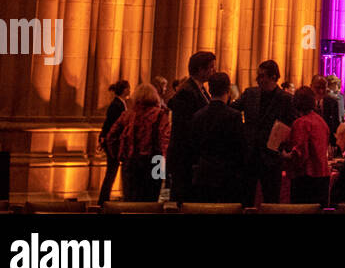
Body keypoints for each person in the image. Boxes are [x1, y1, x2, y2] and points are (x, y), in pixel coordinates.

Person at [232, 59, 296, 205]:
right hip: (250, 155)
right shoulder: (250, 93)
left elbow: (292, 124)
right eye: (258, 76)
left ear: (273, 77)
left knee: (271, 199)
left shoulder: (286, 99)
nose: (258, 79)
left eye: (262, 76)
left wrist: (283, 148)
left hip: (272, 157)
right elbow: (233, 111)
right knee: (246, 198)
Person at [106, 82, 170, 201]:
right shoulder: (160, 115)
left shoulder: (128, 114)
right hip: (156, 162)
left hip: (131, 160)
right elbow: (165, 139)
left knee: (131, 199)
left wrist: (118, 154)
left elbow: (111, 136)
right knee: (152, 199)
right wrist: (166, 162)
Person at [190, 71, 248, 204]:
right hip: (228, 176)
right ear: (228, 90)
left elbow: (193, 145)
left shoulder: (198, 115)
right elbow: (240, 147)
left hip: (204, 174)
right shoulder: (234, 116)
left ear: (209, 90)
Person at [165, 51, 216, 203]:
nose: (213, 71)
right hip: (186, 158)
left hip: (194, 157)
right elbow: (185, 128)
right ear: (201, 69)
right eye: (211, 67)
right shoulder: (187, 92)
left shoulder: (200, 89)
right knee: (184, 199)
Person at [285, 86, 331, 206]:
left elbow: (300, 153)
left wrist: (284, 155)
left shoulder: (301, 123)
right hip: (323, 175)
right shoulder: (321, 121)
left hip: (306, 177)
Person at [97, 80, 130, 204]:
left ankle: (104, 198)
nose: (130, 90)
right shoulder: (117, 105)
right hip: (113, 144)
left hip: (114, 143)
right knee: (111, 171)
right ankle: (103, 199)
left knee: (112, 171)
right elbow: (113, 125)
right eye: (128, 88)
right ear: (124, 89)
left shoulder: (119, 104)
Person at [311, 74, 340, 143]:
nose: (321, 91)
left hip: (327, 141)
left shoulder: (333, 102)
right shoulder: (306, 102)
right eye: (318, 88)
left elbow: (336, 124)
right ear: (311, 86)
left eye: (323, 88)